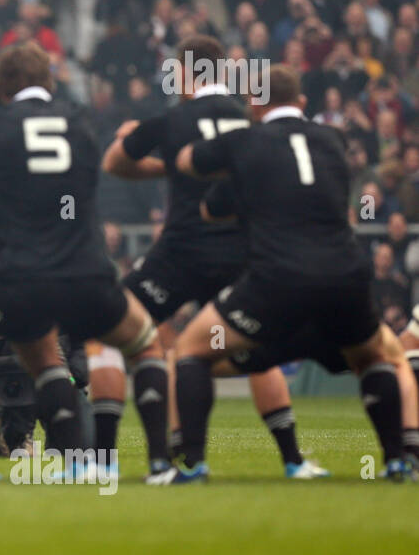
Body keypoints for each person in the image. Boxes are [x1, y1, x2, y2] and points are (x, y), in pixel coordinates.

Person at [0, 43, 168, 480]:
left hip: (19, 273)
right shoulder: (80, 122)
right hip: (88, 269)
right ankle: (145, 465)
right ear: (48, 81)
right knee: (142, 347)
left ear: (1, 88)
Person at [172, 65, 415, 482]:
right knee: (375, 357)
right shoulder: (334, 141)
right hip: (344, 276)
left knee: (191, 350)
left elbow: (188, 165)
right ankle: (397, 460)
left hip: (277, 281)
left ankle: (192, 464)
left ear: (254, 105)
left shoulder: (245, 141)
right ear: (301, 103)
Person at [101, 35, 321, 478]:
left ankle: (135, 458)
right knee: (256, 352)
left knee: (113, 330)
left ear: (186, 73)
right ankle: (294, 461)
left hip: (180, 255)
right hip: (242, 254)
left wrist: (172, 164)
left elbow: (114, 164)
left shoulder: (170, 120)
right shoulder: (250, 123)